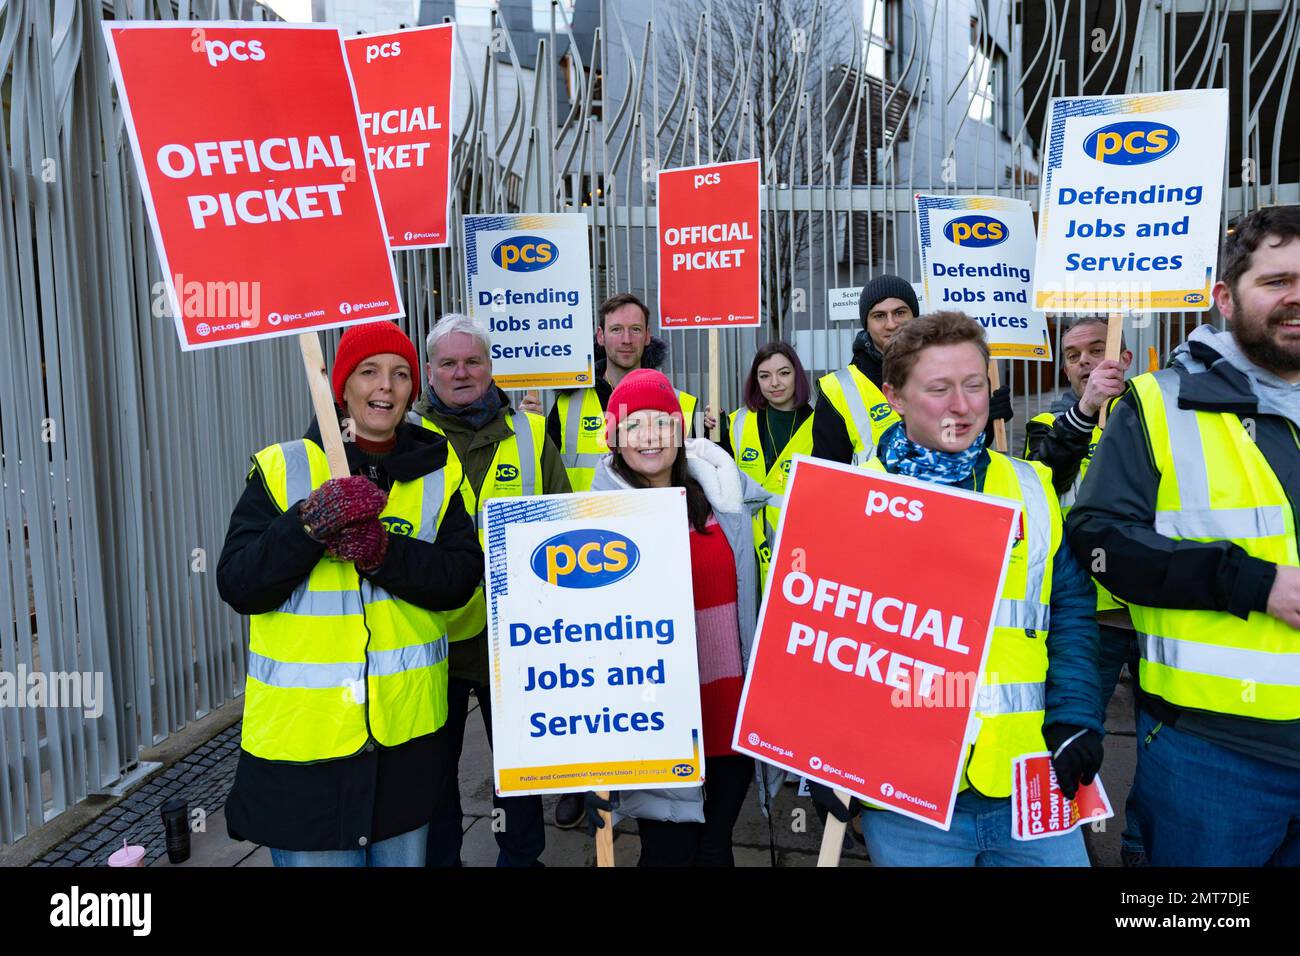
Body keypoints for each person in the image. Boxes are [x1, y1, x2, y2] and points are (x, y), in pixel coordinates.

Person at [812, 311, 1104, 866]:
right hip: (905, 796)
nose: (963, 406)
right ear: (894, 396)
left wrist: (1077, 717)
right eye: (940, 389)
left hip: (1027, 776)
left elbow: (1066, 612)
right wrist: (816, 755)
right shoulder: (846, 499)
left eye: (975, 385)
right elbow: (815, 637)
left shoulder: (1030, 488)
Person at [1067, 204, 1300, 866]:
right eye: (1277, 281)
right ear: (1226, 298)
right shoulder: (1162, 402)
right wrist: (1251, 582)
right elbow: (1099, 540)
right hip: (1216, 758)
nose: (1296, 297)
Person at [217, 321, 482, 867]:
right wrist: (306, 526)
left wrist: (386, 555)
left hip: (404, 746)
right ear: (342, 386)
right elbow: (240, 583)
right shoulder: (283, 467)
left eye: (400, 374)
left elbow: (458, 579)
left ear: (414, 389)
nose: (385, 386)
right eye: (369, 372)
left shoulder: (438, 467)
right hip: (307, 749)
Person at [584, 369, 785, 865]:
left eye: (660, 422)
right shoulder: (595, 519)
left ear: (680, 430)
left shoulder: (723, 495)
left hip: (728, 711)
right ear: (614, 438)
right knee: (669, 851)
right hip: (657, 715)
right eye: (633, 426)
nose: (649, 436)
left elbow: (792, 530)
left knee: (717, 846)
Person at [409, 313, 572, 866]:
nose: (462, 373)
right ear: (429, 371)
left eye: (473, 361)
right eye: (449, 363)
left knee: (520, 768)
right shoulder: (407, 439)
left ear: (491, 367)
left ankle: (522, 859)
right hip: (433, 642)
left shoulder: (530, 433)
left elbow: (562, 524)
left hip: (515, 642)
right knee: (432, 775)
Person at [1023, 315, 1145, 865]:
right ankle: (1071, 838)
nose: (1087, 362)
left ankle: (1142, 847)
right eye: (1074, 355)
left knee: (1161, 744)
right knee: (1075, 733)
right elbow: (1045, 476)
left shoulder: (1153, 415)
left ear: (1126, 354)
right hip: (1087, 615)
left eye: (1100, 349)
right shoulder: (1051, 421)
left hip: (1154, 610)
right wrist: (1086, 410)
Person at [812, 274, 1012, 463]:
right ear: (867, 324)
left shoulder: (943, 373)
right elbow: (827, 475)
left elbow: (954, 449)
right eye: (879, 316)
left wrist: (982, 425)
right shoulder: (838, 388)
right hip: (875, 499)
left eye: (900, 312)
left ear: (914, 316)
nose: (891, 324)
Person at [547, 292, 698, 492]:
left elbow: (694, 474)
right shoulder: (567, 405)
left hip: (658, 518)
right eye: (616, 329)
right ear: (600, 336)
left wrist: (718, 432)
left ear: (647, 336)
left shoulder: (681, 403)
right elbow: (547, 480)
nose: (626, 339)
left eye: (635, 329)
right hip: (588, 520)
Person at [702, 341, 814, 585]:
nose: (774, 383)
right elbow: (722, 472)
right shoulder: (738, 421)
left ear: (798, 375)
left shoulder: (821, 421)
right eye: (765, 376)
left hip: (802, 541)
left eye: (784, 373)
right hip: (749, 540)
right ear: (756, 381)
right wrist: (715, 431)